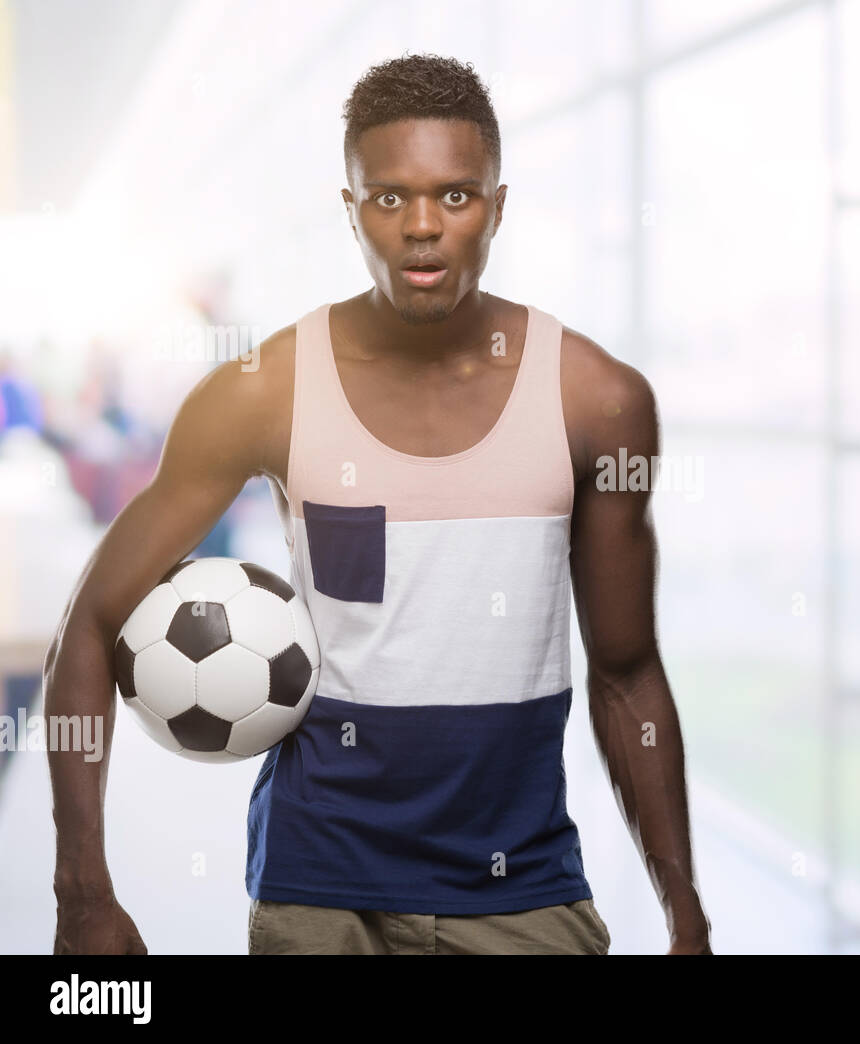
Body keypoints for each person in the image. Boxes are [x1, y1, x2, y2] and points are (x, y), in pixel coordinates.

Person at [45, 53, 711, 955]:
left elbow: (628, 673)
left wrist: (688, 919)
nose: (423, 228)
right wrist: (83, 893)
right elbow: (89, 626)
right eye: (390, 199)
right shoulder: (261, 392)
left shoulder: (597, 400)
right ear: (351, 210)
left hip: (523, 886)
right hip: (318, 890)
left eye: (456, 196)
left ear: (498, 207)